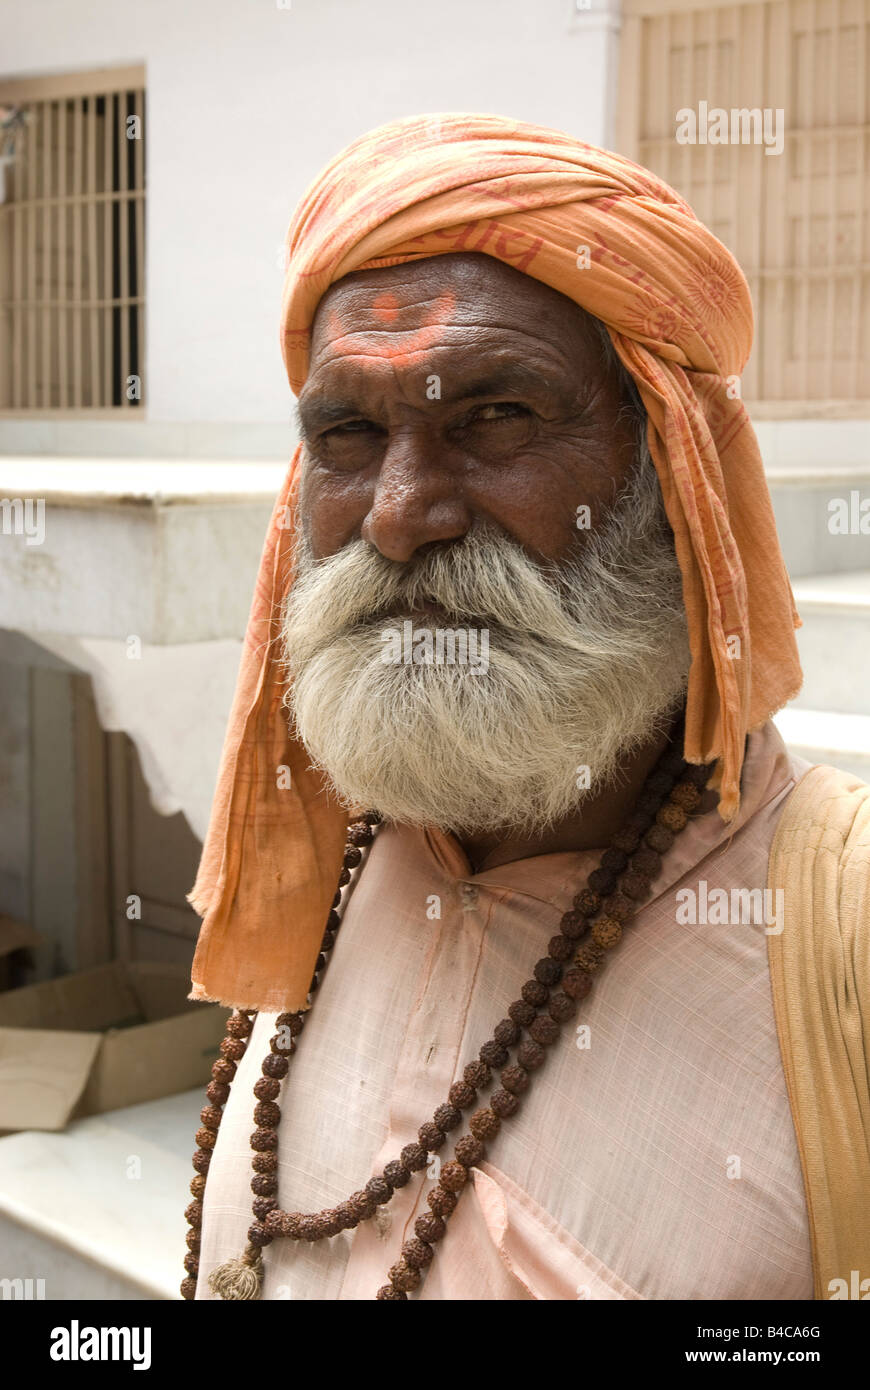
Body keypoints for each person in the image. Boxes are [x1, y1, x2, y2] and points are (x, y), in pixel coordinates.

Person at [182, 114, 869, 1302]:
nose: (400, 514)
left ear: (674, 473)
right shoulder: (315, 865)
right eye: (349, 433)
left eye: (495, 418)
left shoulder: (837, 939)